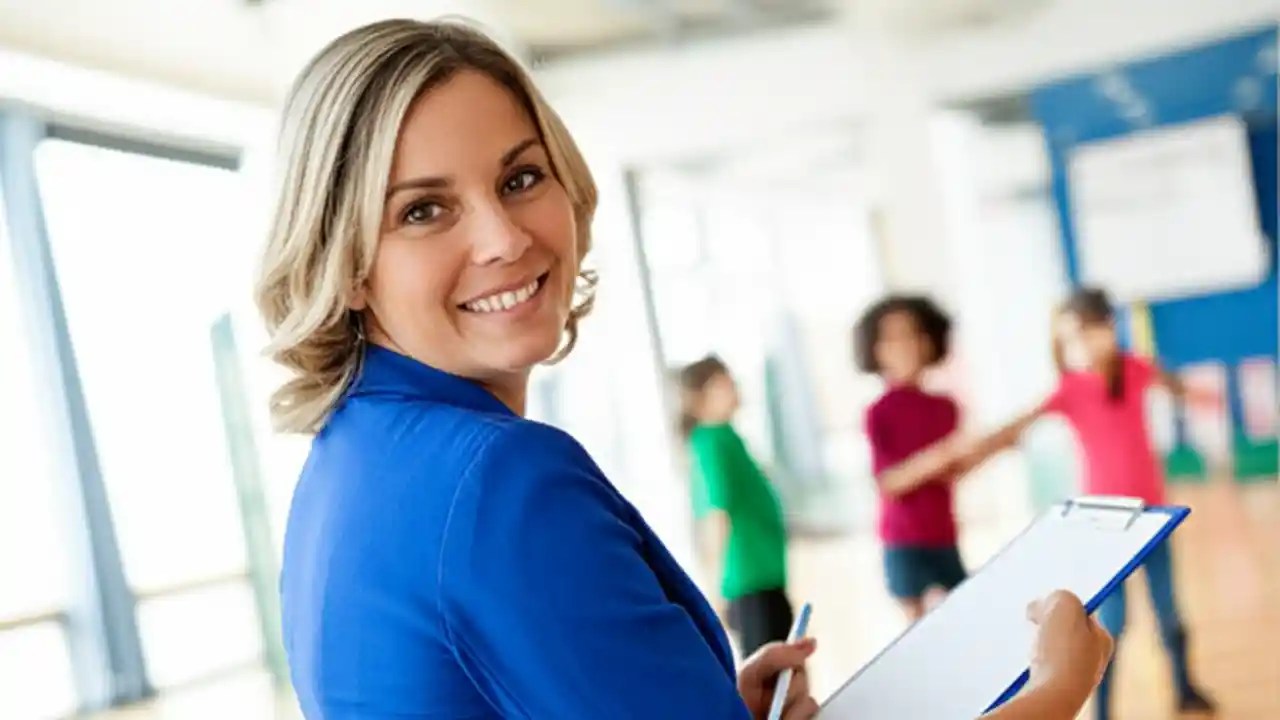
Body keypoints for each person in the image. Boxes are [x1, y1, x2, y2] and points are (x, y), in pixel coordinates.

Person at [256, 17, 1112, 719]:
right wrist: (1054, 691)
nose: (505, 238)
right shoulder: (500, 478)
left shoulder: (343, 465)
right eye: (425, 209)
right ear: (348, 258)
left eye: (520, 177)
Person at [965, 288, 1217, 719]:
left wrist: (1200, 396)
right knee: (1112, 624)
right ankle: (1102, 711)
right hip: (1102, 528)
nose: (1085, 343)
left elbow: (1174, 385)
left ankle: (1185, 688)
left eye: (1091, 330)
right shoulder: (1070, 390)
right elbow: (1019, 425)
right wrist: (973, 453)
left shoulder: (1135, 369)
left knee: (1169, 612)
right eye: (1073, 337)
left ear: (1109, 327)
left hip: (1152, 517)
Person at [854, 295, 978, 622]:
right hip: (903, 540)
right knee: (916, 629)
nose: (905, 346)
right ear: (875, 349)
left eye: (913, 334)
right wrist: (942, 455)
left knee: (964, 618)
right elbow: (890, 482)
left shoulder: (946, 407)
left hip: (944, 535)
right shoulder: (877, 413)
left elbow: (952, 470)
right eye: (892, 338)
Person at [678, 356, 791, 658]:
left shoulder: (728, 437)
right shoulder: (709, 442)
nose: (734, 388)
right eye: (723, 383)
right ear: (699, 397)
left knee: (788, 666)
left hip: (766, 572)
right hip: (746, 580)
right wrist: (713, 585)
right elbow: (716, 514)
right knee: (772, 675)